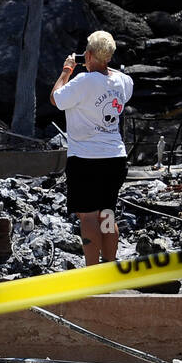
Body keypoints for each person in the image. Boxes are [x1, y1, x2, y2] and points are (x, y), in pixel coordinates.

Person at [49, 30, 133, 266]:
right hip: (114, 157)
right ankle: (108, 266)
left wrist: (67, 70)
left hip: (85, 158)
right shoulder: (122, 82)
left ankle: (91, 271)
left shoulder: (82, 81)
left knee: (87, 216)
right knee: (107, 213)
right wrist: (102, 63)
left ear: (88, 54)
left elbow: (56, 98)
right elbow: (119, 79)